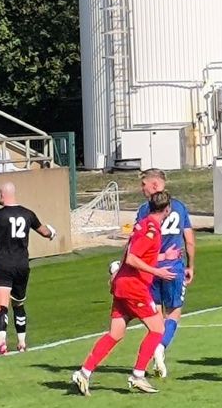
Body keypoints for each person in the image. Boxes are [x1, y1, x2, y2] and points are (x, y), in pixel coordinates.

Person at [71, 191, 177, 395]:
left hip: (123, 285)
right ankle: (138, 375)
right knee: (158, 329)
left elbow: (131, 253)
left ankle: (84, 373)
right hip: (133, 288)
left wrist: (118, 275)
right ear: (167, 209)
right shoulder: (152, 230)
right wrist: (158, 271)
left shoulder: (142, 224)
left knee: (115, 333)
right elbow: (132, 258)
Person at [0, 182, 56, 355]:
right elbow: (45, 232)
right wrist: (52, 233)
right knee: (18, 304)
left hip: (3, 265)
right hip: (22, 266)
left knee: (2, 305)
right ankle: (22, 342)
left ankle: (2, 343)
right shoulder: (27, 213)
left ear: (2, 194)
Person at [135, 169, 194, 378]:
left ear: (154, 185)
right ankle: (160, 347)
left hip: (151, 270)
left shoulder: (144, 210)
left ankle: (155, 347)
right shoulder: (179, 207)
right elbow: (189, 239)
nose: (141, 189)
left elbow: (135, 242)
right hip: (173, 267)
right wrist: (191, 265)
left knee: (156, 315)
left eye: (143, 184)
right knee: (175, 312)